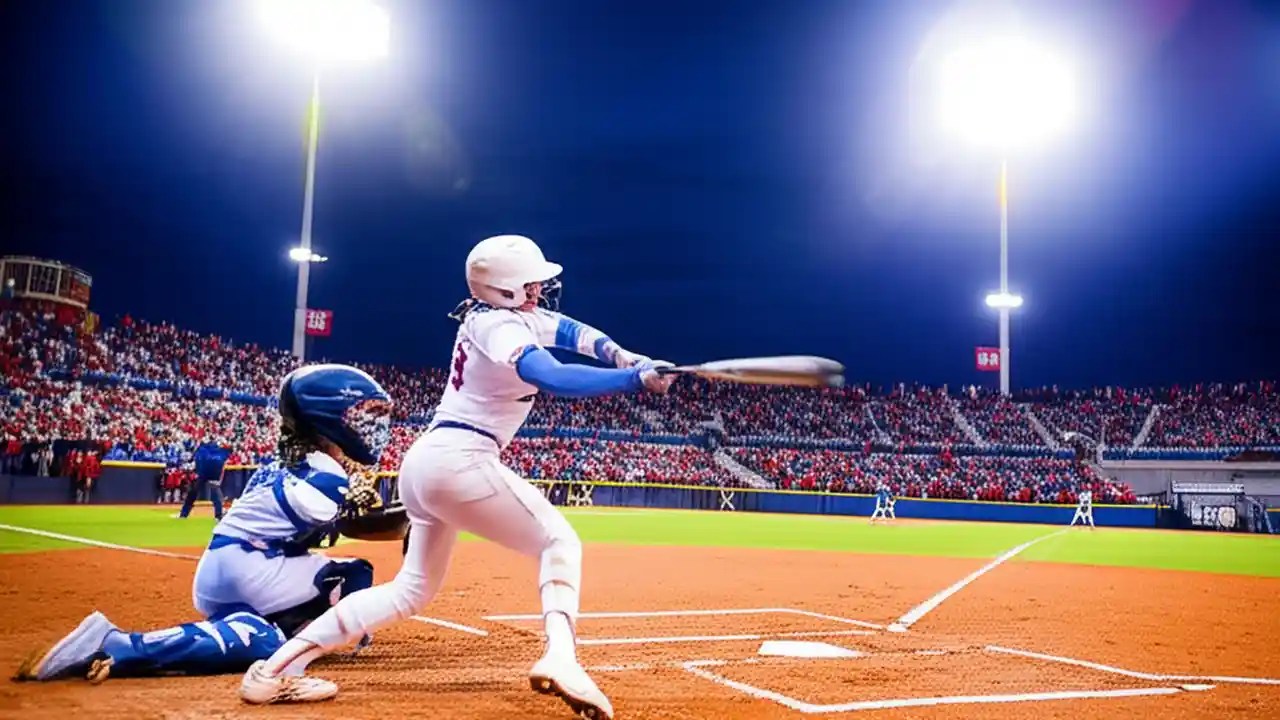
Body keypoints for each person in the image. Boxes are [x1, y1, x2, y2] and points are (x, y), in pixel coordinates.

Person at [239, 235, 674, 719]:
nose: (539, 289)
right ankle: (562, 657)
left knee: (412, 590)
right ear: (507, 288)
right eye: (530, 282)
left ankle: (273, 672)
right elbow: (554, 375)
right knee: (560, 543)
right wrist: (631, 380)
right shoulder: (498, 328)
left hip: (428, 461)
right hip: (460, 458)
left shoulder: (507, 316)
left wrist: (626, 357)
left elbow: (577, 333)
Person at [15, 365, 391, 688]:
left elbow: (325, 517)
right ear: (326, 420)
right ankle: (119, 644)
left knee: (327, 588)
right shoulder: (325, 474)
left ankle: (273, 633)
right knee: (350, 578)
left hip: (225, 568)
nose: (361, 427)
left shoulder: (290, 463)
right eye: (352, 416)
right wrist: (375, 506)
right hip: (251, 568)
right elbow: (346, 516)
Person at [178, 438, 231, 520]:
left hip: (204, 473)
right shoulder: (220, 452)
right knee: (213, 494)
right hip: (212, 473)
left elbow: (196, 460)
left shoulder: (203, 450)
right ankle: (218, 516)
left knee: (193, 494)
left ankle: (183, 514)